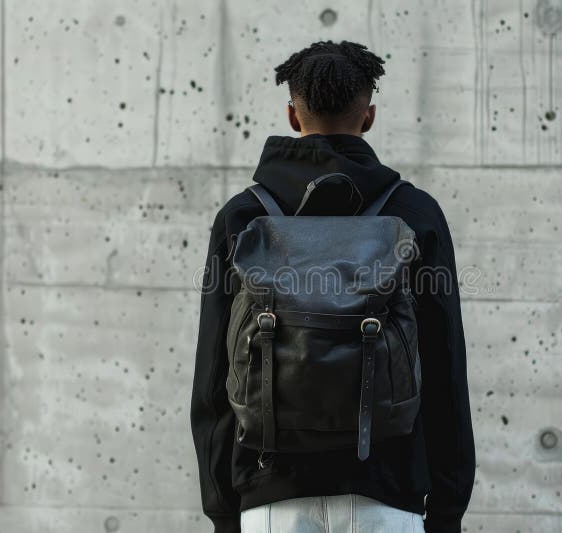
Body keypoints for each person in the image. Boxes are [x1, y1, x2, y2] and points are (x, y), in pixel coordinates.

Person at [190, 40, 475, 533]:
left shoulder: (243, 216)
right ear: (369, 116)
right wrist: (447, 506)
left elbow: (213, 372)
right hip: (389, 491)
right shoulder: (414, 214)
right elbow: (444, 364)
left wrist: (221, 507)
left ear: (292, 116)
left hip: (269, 493)